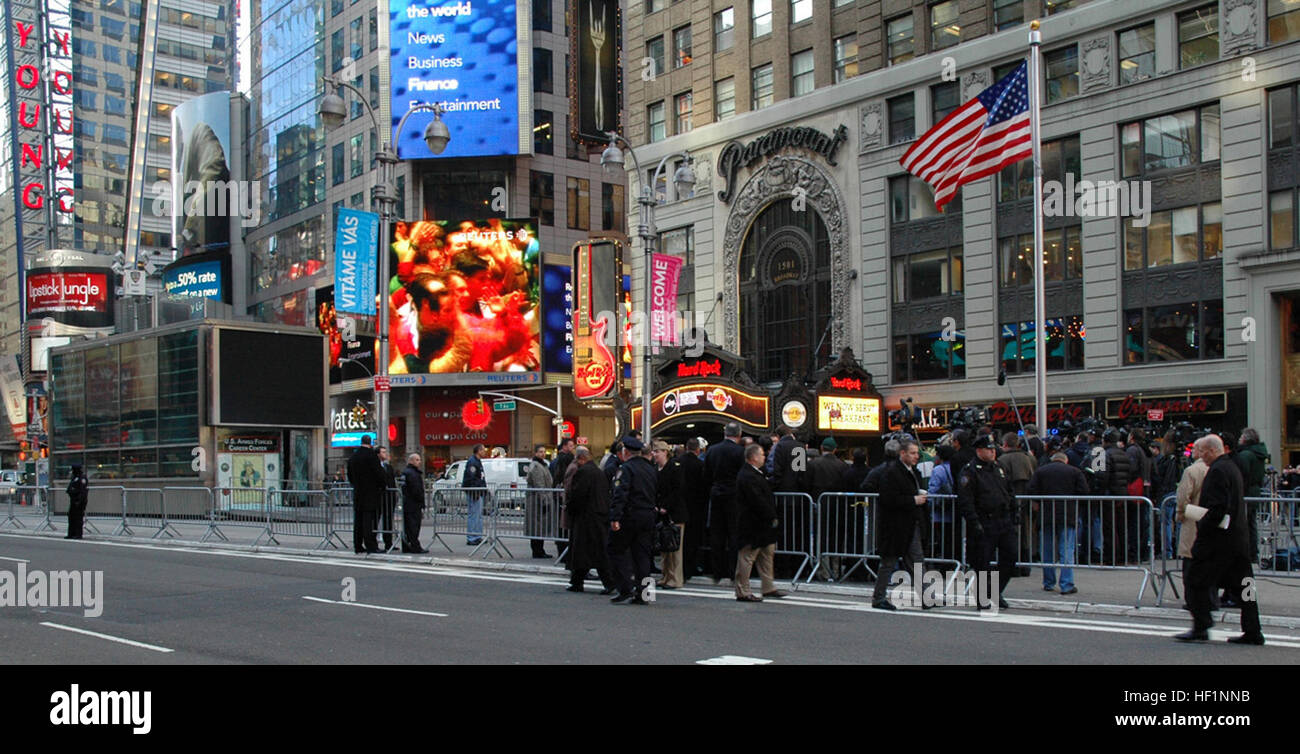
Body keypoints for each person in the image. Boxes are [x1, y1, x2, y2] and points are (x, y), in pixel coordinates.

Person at [1176, 435, 1265, 645]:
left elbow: (1216, 508)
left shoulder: (1217, 471)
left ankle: (1201, 625)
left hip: (1218, 540)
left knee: (1196, 579)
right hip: (1237, 538)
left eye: (1203, 451)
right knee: (1246, 586)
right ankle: (1253, 629)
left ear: (1212, 451)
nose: (1200, 455)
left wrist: (1203, 527)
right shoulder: (1232, 468)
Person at [957, 434, 1017, 609]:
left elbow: (1009, 490)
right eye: (989, 449)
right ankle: (984, 597)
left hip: (1003, 520)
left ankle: (994, 591)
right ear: (979, 450)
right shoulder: (970, 471)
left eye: (993, 449)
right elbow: (966, 499)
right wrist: (974, 522)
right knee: (982, 562)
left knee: (1010, 557)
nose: (993, 452)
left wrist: (1014, 510)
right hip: (984, 520)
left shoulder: (999, 467)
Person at [871, 439, 930, 610]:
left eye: (917, 453)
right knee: (888, 562)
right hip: (895, 524)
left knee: (916, 560)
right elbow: (888, 498)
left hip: (911, 523)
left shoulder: (914, 472)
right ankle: (879, 597)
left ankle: (926, 597)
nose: (916, 456)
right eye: (912, 453)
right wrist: (913, 499)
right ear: (902, 453)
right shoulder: (891, 472)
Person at [1028, 452, 1090, 595]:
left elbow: (1031, 489)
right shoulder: (1075, 471)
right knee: (1066, 550)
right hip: (1067, 514)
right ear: (1065, 460)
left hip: (1046, 514)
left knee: (1047, 550)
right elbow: (1084, 491)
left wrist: (1038, 502)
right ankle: (1066, 584)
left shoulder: (1041, 471)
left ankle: (1048, 582)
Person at [608, 437, 658, 604]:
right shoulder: (650, 468)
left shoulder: (626, 469)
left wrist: (615, 517)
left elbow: (621, 493)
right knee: (643, 555)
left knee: (617, 550)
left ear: (626, 452)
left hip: (630, 515)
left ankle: (625, 587)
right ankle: (645, 593)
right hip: (648, 515)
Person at [734, 443, 784, 602]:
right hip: (753, 523)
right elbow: (757, 500)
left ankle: (768, 586)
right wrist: (770, 515)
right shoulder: (748, 476)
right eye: (762, 454)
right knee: (747, 557)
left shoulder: (756, 474)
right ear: (753, 457)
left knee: (766, 555)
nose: (764, 457)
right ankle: (743, 590)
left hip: (761, 524)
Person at [566, 447, 616, 593]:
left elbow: (577, 495)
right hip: (599, 515)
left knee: (586, 551)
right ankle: (578, 581)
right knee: (596, 550)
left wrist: (570, 509)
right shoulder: (598, 472)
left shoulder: (583, 472)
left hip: (585, 517)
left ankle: (605, 582)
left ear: (581, 458)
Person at [703, 422, 747, 583]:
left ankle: (717, 572)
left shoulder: (712, 450)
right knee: (734, 535)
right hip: (734, 496)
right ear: (739, 435)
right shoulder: (741, 452)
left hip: (716, 494)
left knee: (717, 535)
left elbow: (706, 475)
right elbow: (744, 476)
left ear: (725, 434)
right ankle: (731, 570)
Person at [1176, 437, 1210, 609]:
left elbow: (1183, 497)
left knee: (1190, 561)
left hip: (1193, 517)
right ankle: (1210, 598)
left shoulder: (1192, 470)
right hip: (1211, 519)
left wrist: (1180, 513)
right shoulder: (1216, 468)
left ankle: (1193, 600)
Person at [652, 440, 687, 589]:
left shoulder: (674, 467)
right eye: (654, 452)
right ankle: (666, 575)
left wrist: (666, 506)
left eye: (657, 452)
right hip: (661, 513)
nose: (654, 454)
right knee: (664, 547)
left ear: (665, 452)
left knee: (675, 548)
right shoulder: (656, 469)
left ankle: (675, 578)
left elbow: (678, 490)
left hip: (675, 513)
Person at [1235, 428, 1269, 565]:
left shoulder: (1246, 455)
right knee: (1251, 523)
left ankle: (1247, 552)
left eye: (1241, 436)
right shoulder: (1258, 454)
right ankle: (1252, 552)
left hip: (1247, 491)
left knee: (1244, 524)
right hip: (1254, 491)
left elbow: (1242, 474)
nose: (1239, 438)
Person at [347, 435, 385, 554]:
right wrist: (382, 485)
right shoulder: (371, 455)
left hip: (358, 492)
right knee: (369, 521)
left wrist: (355, 484)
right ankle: (371, 545)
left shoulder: (353, 456)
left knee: (358, 520)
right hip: (371, 492)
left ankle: (358, 545)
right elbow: (378, 473)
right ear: (371, 443)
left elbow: (350, 475)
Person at [678, 438, 709, 581]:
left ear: (686, 447)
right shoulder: (700, 465)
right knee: (693, 539)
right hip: (696, 506)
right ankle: (691, 567)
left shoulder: (677, 463)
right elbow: (704, 486)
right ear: (698, 450)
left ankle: (681, 568)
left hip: (681, 504)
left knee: (680, 540)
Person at [927, 444, 958, 563]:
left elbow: (933, 490)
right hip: (953, 512)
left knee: (942, 540)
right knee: (951, 539)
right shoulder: (957, 467)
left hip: (940, 512)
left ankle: (943, 563)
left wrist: (928, 503)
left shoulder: (938, 470)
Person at [526, 444, 555, 558]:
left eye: (544, 452)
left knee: (539, 526)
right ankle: (537, 551)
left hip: (539, 499)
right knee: (537, 526)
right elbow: (539, 485)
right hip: (536, 501)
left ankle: (539, 550)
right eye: (540, 452)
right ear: (536, 453)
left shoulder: (542, 465)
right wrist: (544, 501)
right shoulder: (537, 466)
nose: (543, 454)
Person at [400, 453, 428, 553]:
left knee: (408, 526)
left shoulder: (405, 472)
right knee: (414, 526)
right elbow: (416, 490)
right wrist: (421, 501)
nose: (419, 462)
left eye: (419, 459)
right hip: (413, 503)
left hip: (408, 502)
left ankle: (406, 545)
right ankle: (415, 546)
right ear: (411, 461)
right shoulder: (412, 473)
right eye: (417, 460)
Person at [464, 444, 488, 546]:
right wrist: (476, 492)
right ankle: (472, 537)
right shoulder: (473, 462)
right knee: (474, 515)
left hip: (478, 491)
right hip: (474, 492)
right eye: (483, 450)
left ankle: (477, 536)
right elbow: (472, 478)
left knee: (478, 515)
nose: (485, 451)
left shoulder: (477, 461)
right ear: (478, 451)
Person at [377, 447, 399, 551]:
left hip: (389, 498)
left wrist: (394, 494)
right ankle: (374, 542)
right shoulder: (375, 467)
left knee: (388, 521)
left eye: (386, 452)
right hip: (379, 497)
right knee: (376, 520)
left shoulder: (388, 467)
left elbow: (392, 482)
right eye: (383, 452)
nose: (385, 454)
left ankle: (389, 543)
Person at [65, 463, 89, 540]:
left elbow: (82, 491)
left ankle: (78, 534)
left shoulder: (82, 478)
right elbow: (69, 489)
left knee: (78, 518)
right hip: (73, 500)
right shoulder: (74, 478)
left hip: (79, 501)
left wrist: (79, 500)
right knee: (71, 517)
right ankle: (71, 533)